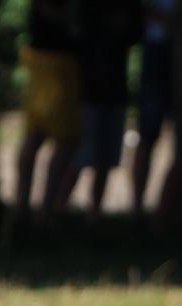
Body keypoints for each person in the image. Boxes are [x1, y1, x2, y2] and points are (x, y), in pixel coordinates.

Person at [62, 0, 142, 223]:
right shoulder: (87, 8)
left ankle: (93, 215)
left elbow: (136, 32)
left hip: (115, 88)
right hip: (87, 89)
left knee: (105, 158)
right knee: (77, 155)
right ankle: (57, 210)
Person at [16, 1, 82, 220]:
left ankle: (25, 206)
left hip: (40, 57)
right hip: (58, 62)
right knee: (65, 140)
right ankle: (45, 211)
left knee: (36, 133)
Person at [133, 1, 177, 215]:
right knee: (148, 134)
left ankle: (165, 213)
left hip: (172, 50)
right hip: (158, 49)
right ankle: (139, 210)